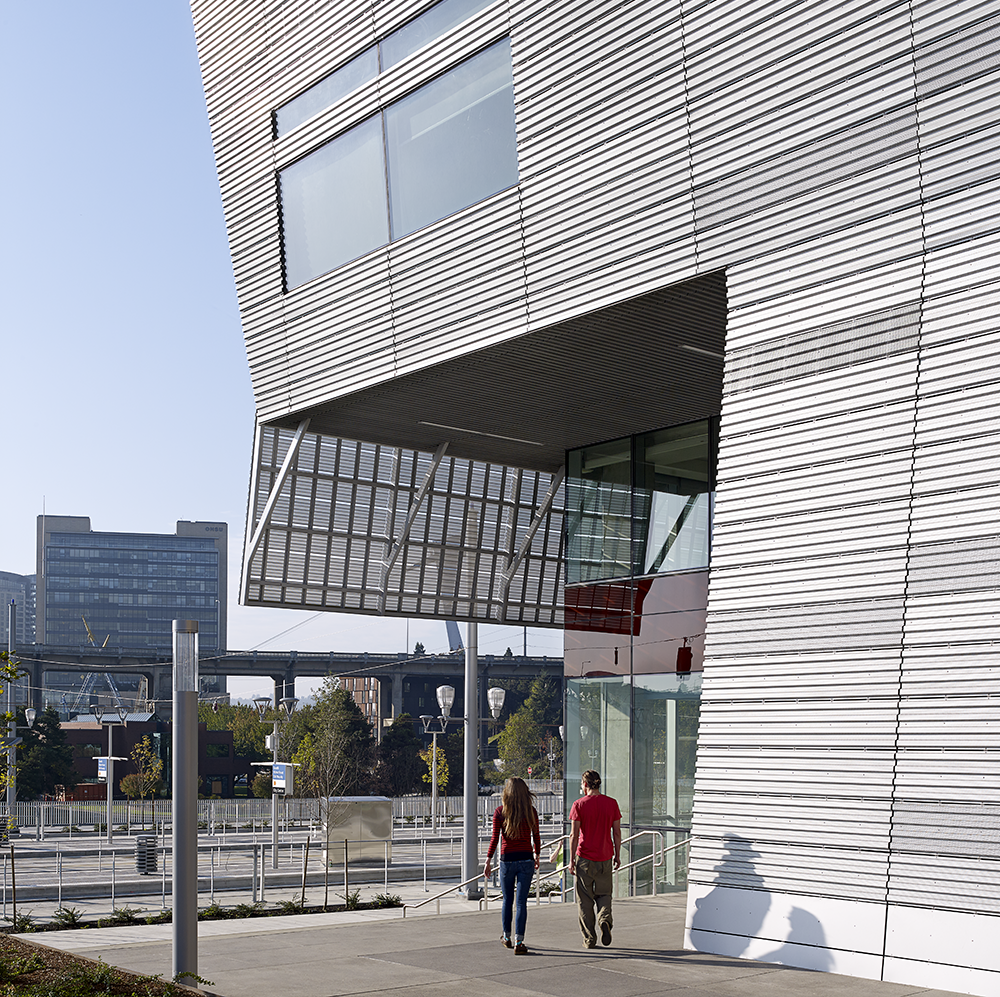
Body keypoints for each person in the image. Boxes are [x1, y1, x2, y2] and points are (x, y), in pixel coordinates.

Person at [483, 777, 541, 954]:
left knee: (507, 900)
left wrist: (487, 860)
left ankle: (506, 937)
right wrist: (537, 855)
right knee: (522, 902)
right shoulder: (531, 811)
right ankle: (519, 942)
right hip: (526, 859)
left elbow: (495, 838)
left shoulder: (500, 812)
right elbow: (536, 837)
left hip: (507, 860)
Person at [569, 769, 622, 949]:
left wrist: (571, 860)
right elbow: (616, 832)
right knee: (604, 895)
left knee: (585, 900)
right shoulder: (612, 803)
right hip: (605, 856)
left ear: (585, 784)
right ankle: (604, 920)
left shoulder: (579, 805)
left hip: (584, 857)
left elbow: (574, 835)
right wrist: (618, 855)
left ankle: (589, 939)